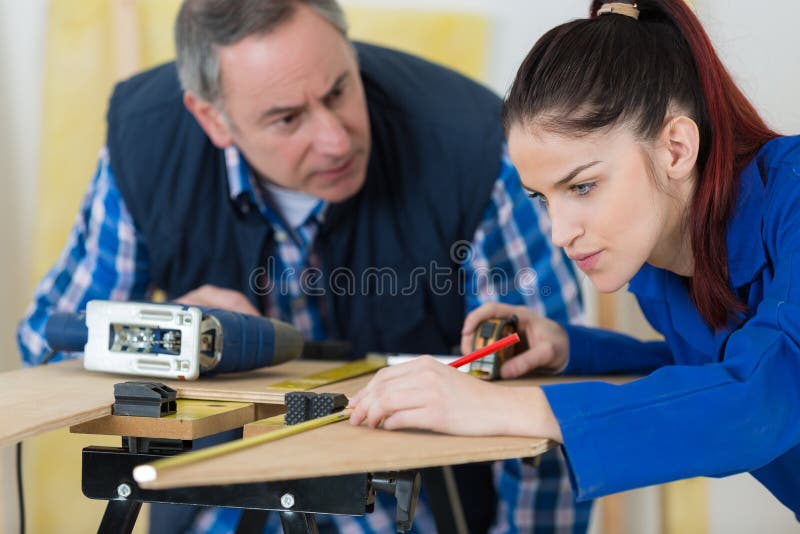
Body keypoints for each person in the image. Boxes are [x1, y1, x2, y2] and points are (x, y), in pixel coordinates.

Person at [17, 0, 591, 532]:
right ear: (211, 118)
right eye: (288, 118)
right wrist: (160, 330)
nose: (335, 139)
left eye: (340, 89)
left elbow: (546, 399)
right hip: (217, 498)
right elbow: (45, 341)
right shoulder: (145, 144)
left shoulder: (473, 148)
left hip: (409, 505)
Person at [349, 0, 800, 521]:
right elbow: (710, 376)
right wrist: (573, 350)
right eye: (542, 198)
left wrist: (501, 408)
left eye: (582, 185)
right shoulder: (659, 262)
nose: (560, 233)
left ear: (675, 148)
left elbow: (767, 396)